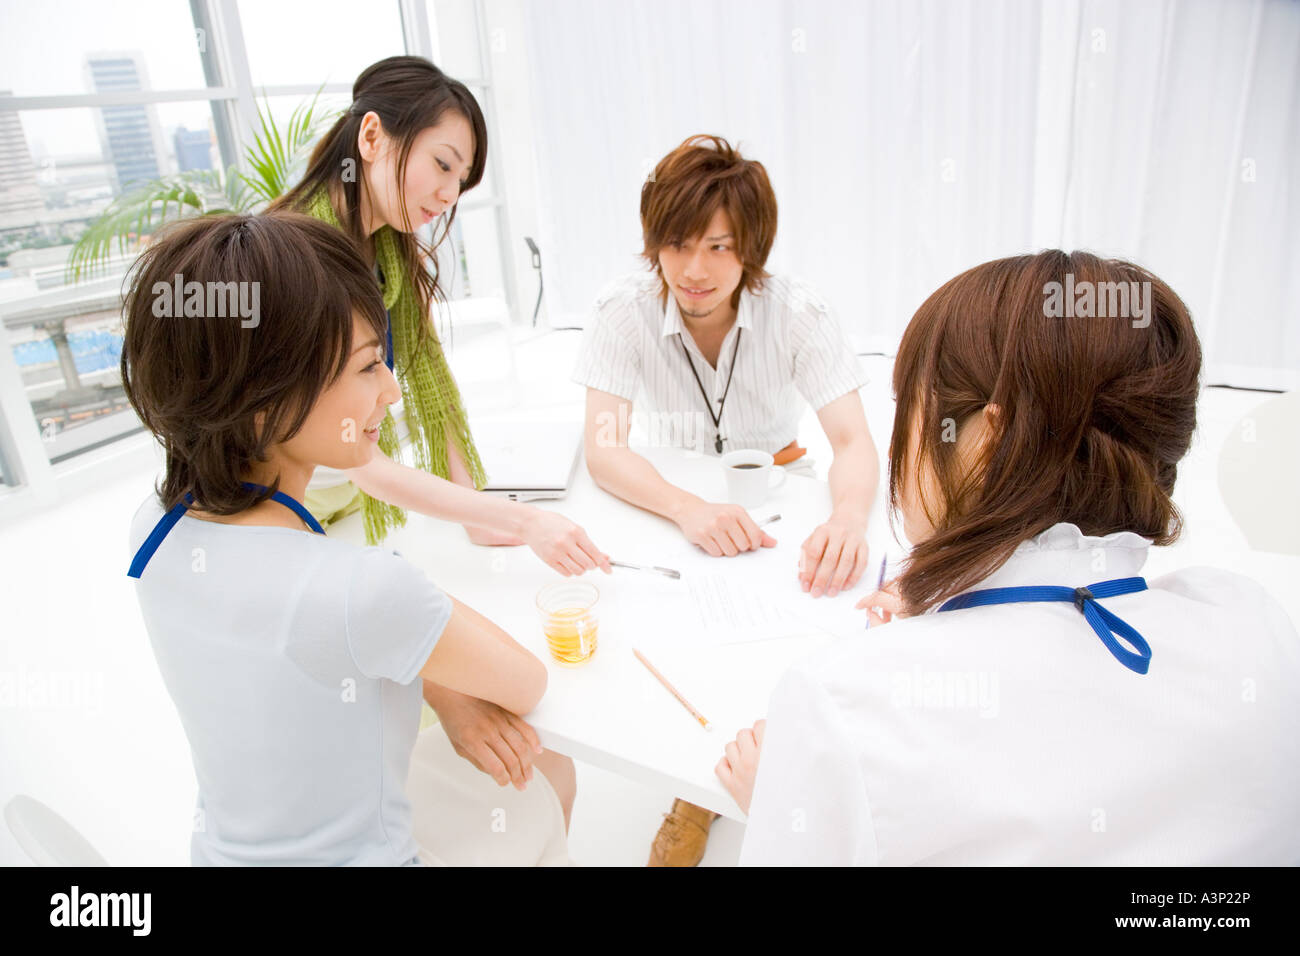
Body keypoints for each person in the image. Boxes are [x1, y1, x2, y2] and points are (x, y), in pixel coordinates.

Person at [716, 250, 1300, 864]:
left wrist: (794, 815)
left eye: (909, 408)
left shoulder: (843, 705)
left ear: (986, 441)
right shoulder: (1251, 621)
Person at [123, 212, 572, 865]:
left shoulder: (154, 527)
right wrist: (419, 622)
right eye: (368, 367)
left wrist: (438, 685)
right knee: (552, 777)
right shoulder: (360, 590)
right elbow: (526, 683)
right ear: (265, 401)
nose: (391, 391)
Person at [274, 55, 596, 803]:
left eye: (462, 180)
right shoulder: (300, 261)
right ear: (375, 137)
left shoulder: (386, 247)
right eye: (443, 165)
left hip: (351, 513)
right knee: (455, 726)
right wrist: (518, 520)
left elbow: (430, 385)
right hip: (292, 521)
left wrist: (478, 508)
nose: (449, 194)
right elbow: (363, 460)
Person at [572, 134, 881, 865]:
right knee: (670, 630)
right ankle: (695, 788)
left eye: (718, 247)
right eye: (676, 244)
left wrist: (845, 517)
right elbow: (604, 447)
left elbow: (855, 442)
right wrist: (686, 508)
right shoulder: (623, 309)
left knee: (799, 625)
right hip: (672, 494)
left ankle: (753, 781)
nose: (694, 270)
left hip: (775, 490)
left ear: (752, 250)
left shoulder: (799, 313)